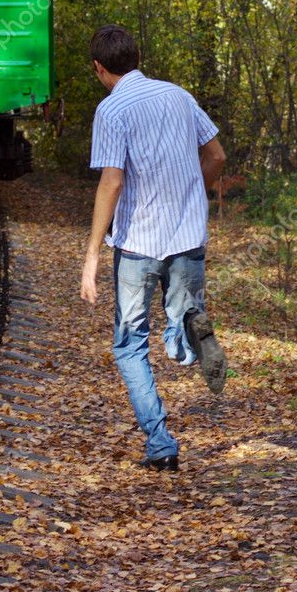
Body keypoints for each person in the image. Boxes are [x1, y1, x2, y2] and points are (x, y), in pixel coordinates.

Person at [80, 24, 228, 472]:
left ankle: (161, 443)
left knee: (129, 345)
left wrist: (91, 254)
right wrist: (193, 197)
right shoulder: (179, 96)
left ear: (99, 68)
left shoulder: (111, 109)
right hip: (187, 239)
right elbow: (218, 156)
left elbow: (113, 180)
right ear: (137, 57)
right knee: (181, 316)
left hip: (138, 244)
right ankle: (186, 336)